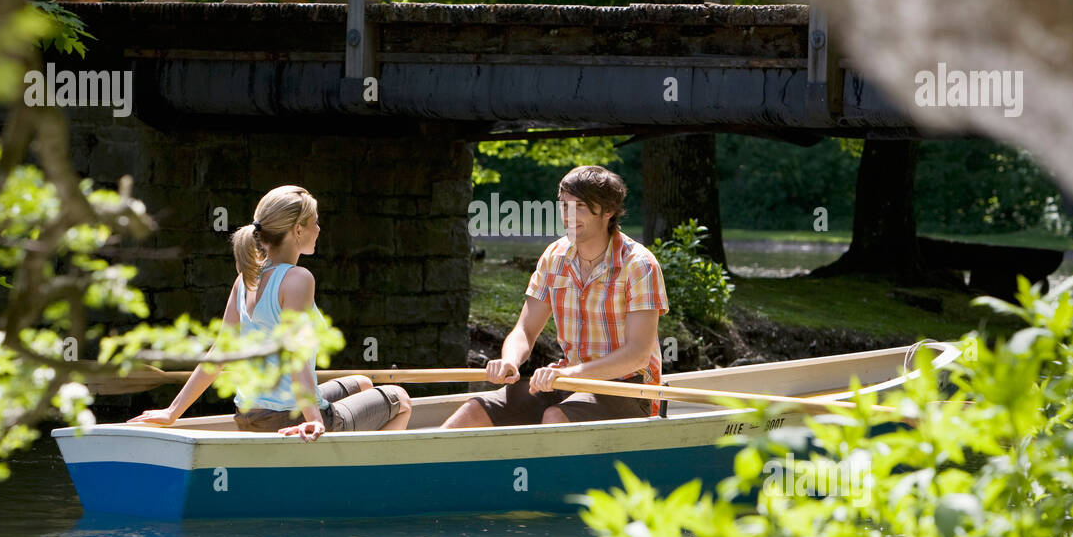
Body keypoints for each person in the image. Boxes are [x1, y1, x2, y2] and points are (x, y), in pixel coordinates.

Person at [130, 185, 411, 439]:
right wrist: (314, 420)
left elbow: (219, 352)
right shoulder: (299, 279)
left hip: (248, 415)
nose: (320, 229)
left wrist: (173, 412)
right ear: (298, 230)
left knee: (363, 383)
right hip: (290, 417)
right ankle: (351, 474)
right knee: (400, 398)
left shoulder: (245, 279)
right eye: (315, 223)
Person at [440, 165, 669, 429]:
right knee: (474, 410)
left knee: (555, 417)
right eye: (564, 205)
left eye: (580, 206)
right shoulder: (554, 257)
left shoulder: (639, 264)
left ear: (608, 211)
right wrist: (510, 360)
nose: (568, 216)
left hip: (629, 388)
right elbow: (525, 331)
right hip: (567, 380)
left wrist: (567, 373)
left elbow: (638, 355)